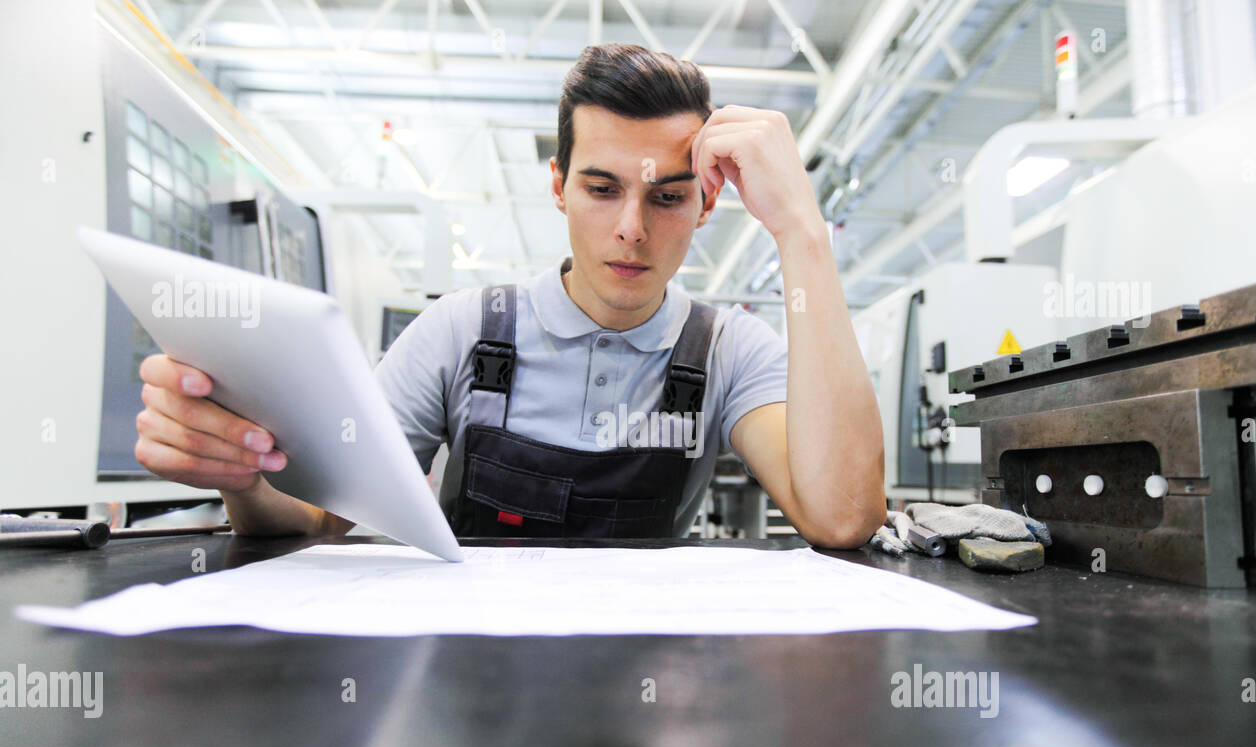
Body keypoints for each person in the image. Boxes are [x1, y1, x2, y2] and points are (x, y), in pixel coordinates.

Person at [134, 43, 886, 548]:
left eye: (666, 198)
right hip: (476, 702)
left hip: (652, 701)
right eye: (601, 188)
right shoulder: (459, 333)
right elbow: (320, 519)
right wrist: (238, 475)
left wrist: (801, 232)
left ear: (705, 204)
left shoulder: (729, 351)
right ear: (558, 186)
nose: (631, 230)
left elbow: (843, 516)